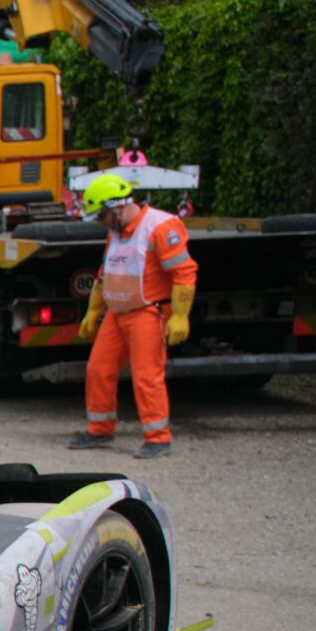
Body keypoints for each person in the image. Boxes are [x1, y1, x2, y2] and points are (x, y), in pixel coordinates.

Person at [70, 170, 197, 460]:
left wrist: (180, 315)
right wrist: (93, 311)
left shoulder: (161, 226)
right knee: (98, 369)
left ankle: (158, 437)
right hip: (118, 313)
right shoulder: (115, 231)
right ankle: (100, 428)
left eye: (101, 217)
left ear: (116, 208)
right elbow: (106, 273)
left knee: (146, 376)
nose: (101, 224)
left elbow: (184, 272)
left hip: (148, 313)